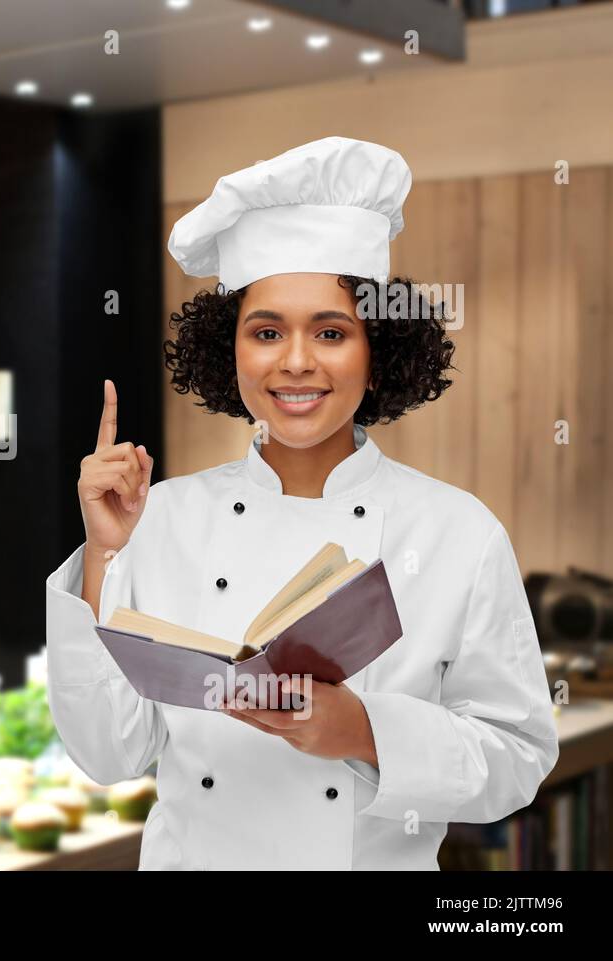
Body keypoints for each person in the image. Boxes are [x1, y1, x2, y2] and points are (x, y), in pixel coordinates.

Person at [46, 137, 559, 870]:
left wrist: (362, 730)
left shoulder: (458, 532)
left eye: (330, 330)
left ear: (377, 347)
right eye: (265, 332)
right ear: (230, 351)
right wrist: (103, 553)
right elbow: (107, 753)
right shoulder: (162, 516)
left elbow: (517, 757)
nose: (295, 361)